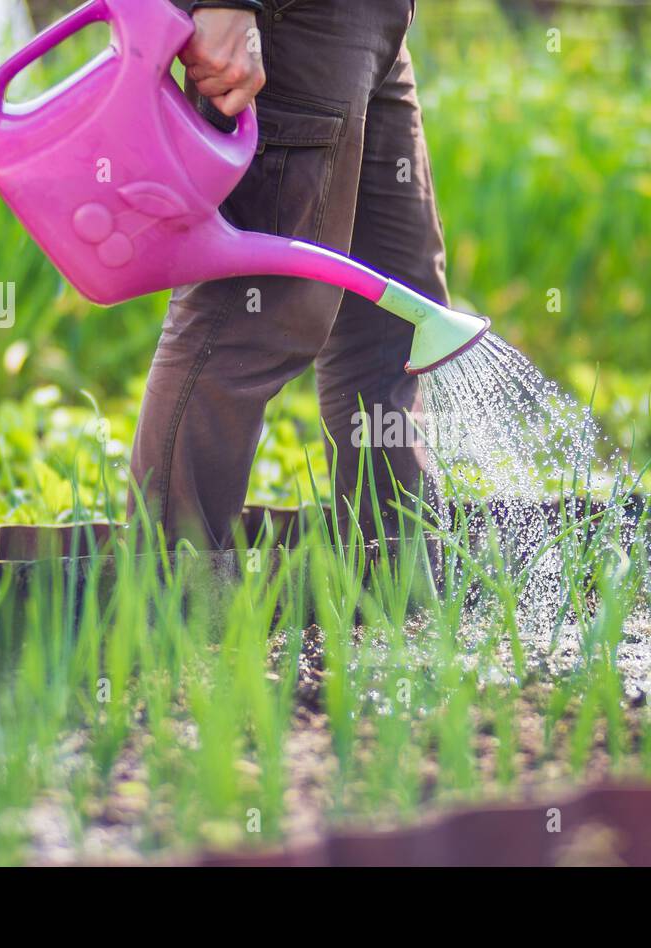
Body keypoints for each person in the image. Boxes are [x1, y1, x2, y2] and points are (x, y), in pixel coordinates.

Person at [129, 0, 447, 549]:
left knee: (396, 314)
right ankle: (170, 606)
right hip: (290, 21)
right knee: (246, 317)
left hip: (370, 24)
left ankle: (399, 587)